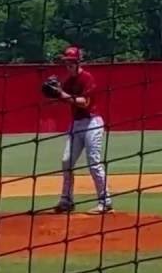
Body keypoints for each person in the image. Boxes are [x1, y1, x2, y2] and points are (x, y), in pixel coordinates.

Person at [41, 45, 113, 214]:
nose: (68, 65)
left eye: (71, 62)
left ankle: (105, 201)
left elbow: (84, 102)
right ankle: (66, 201)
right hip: (77, 124)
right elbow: (62, 97)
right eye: (66, 62)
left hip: (92, 123)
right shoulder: (68, 81)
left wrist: (62, 95)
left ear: (78, 62)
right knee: (67, 161)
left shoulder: (87, 78)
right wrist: (55, 94)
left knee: (93, 163)